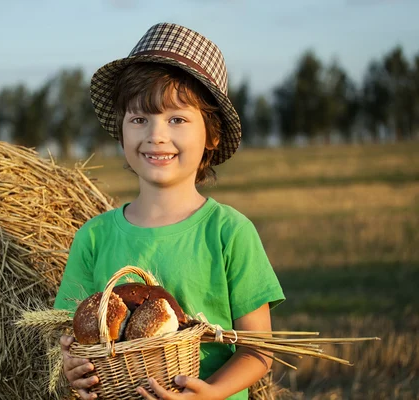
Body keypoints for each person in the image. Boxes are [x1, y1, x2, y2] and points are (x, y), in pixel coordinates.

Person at [53, 22, 285, 400]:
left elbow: (259, 349)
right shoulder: (93, 237)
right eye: (139, 119)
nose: (156, 134)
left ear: (211, 134)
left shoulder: (229, 232)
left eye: (177, 119)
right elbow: (71, 338)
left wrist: (210, 392)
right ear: (122, 131)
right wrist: (72, 368)